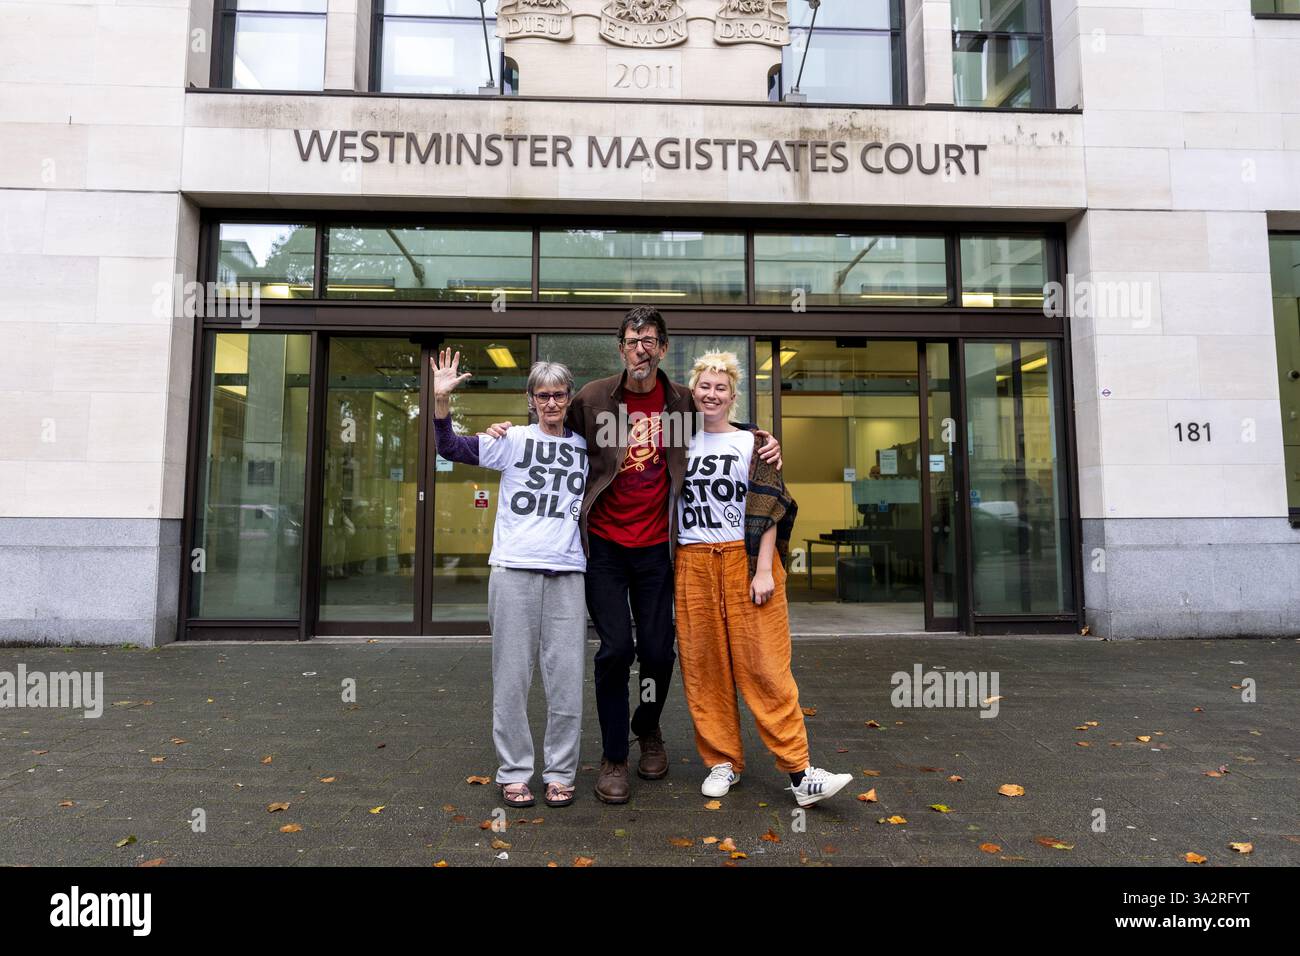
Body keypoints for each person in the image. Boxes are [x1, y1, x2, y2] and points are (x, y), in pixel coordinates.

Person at [486, 306, 782, 804]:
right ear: (620, 347)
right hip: (603, 548)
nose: (639, 348)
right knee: (615, 650)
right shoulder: (594, 397)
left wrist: (760, 437)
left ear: (663, 348)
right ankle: (614, 756)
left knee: (659, 652)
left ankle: (648, 729)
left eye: (649, 340)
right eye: (631, 340)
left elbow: (720, 418)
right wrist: (503, 431)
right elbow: (550, 427)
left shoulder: (683, 402)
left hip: (659, 551)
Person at [674, 350, 853, 807]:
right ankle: (722, 761)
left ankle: (800, 772)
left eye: (721, 388)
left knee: (766, 666)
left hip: (747, 559)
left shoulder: (754, 444)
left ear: (732, 396)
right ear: (692, 391)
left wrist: (762, 570)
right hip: (693, 562)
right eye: (704, 386)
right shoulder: (675, 444)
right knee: (704, 666)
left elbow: (771, 507)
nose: (711, 394)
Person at [430, 348, 588, 809]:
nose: (553, 403)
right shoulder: (512, 439)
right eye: (544, 396)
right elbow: (450, 448)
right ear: (531, 400)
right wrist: (441, 402)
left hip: (568, 573)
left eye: (560, 395)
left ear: (570, 397)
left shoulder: (586, 446)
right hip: (514, 571)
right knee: (512, 677)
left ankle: (560, 773)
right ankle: (515, 771)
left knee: (565, 681)